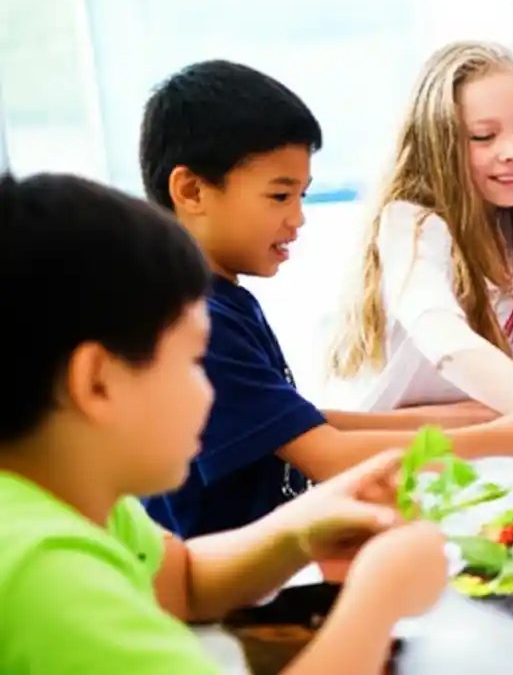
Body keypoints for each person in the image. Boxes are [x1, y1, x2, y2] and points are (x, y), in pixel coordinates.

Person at [0, 172, 447, 674]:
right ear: (98, 382)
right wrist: (379, 596)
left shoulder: (65, 497)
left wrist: (303, 529)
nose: (207, 392)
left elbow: (182, 582)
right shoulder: (40, 570)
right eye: (192, 362)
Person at [140, 59, 513, 538]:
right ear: (191, 191)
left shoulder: (228, 301)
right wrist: (499, 437)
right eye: (279, 197)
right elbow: (328, 454)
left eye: (301, 197)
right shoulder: (199, 324)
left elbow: (305, 426)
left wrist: (481, 418)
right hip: (233, 576)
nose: (298, 219)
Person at [326, 42, 513, 462]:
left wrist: (506, 415)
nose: (512, 151)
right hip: (385, 466)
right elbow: (443, 336)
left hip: (476, 463)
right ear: (439, 142)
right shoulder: (410, 223)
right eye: (483, 136)